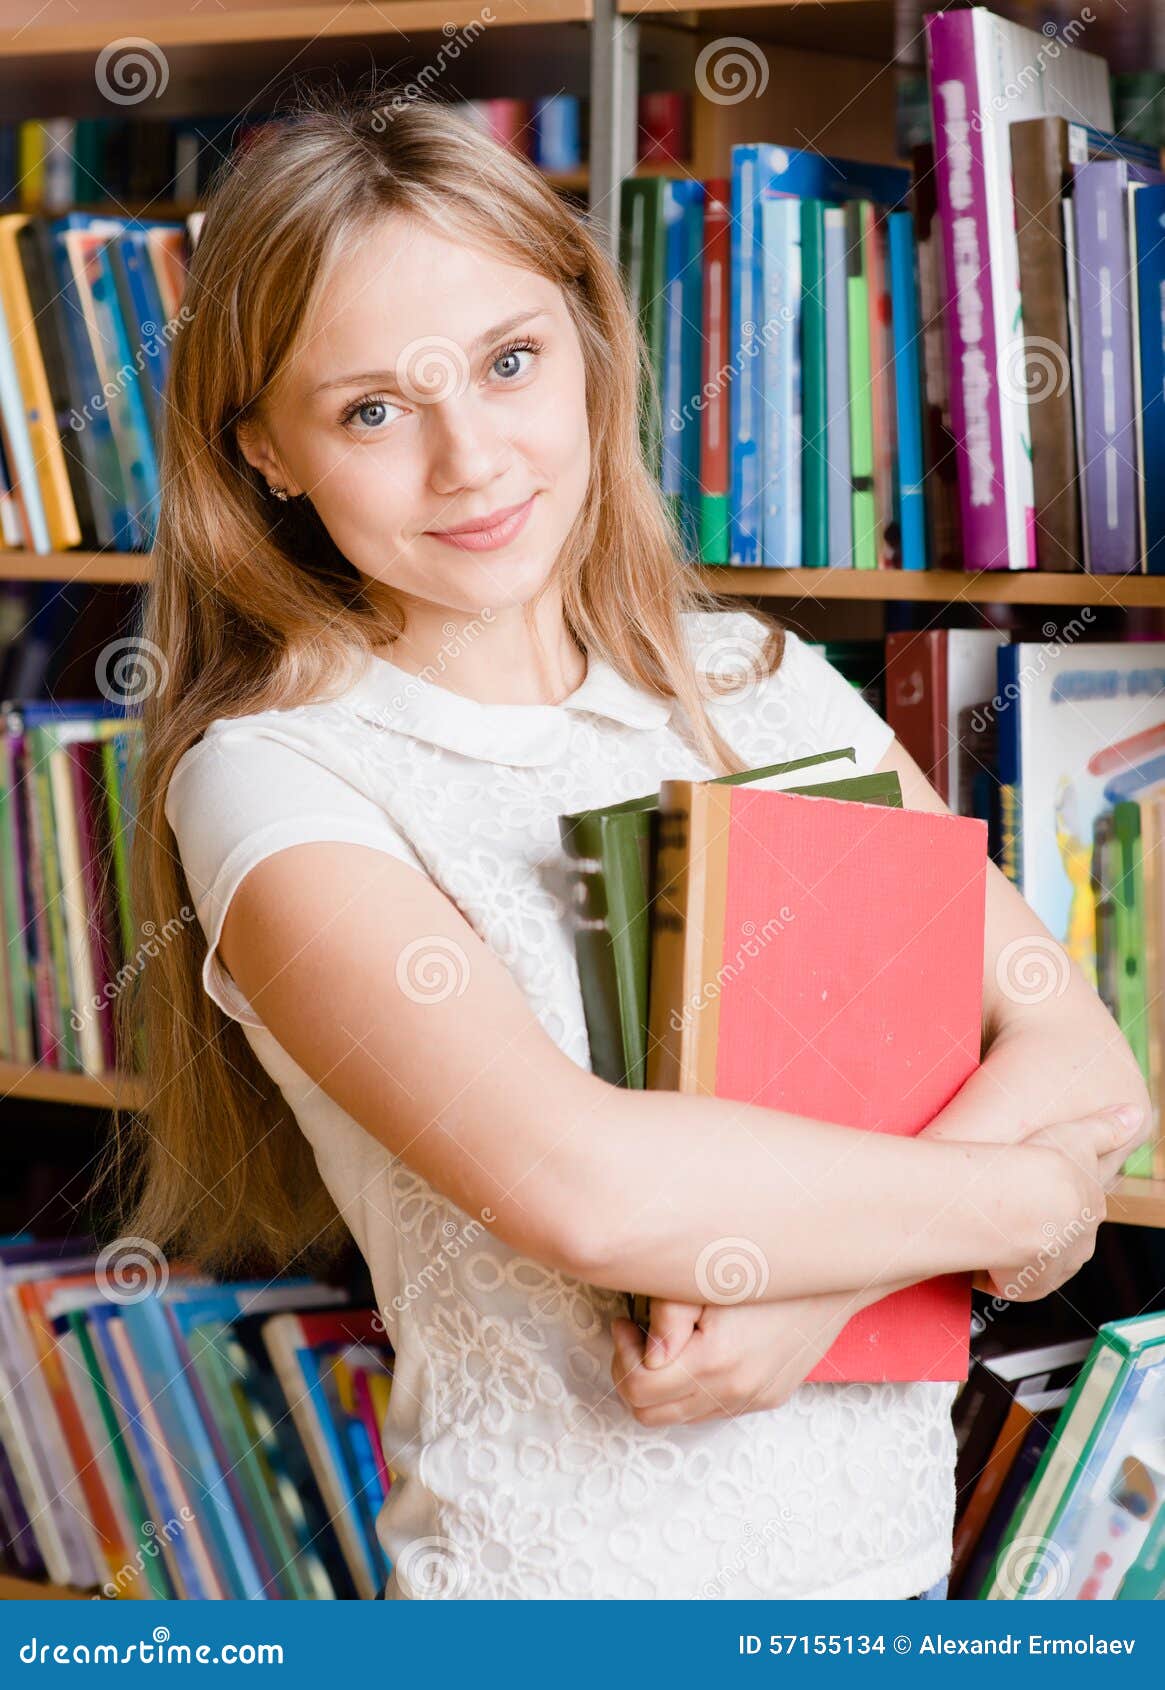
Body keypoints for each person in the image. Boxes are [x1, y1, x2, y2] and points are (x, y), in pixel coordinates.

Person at [110, 88, 1150, 1602]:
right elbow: (586, 1183)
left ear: (590, 347)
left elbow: (1084, 1058)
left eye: (510, 361)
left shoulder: (755, 683)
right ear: (266, 450)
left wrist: (808, 1293)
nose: (471, 459)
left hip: (886, 1588)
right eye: (373, 410)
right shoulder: (272, 780)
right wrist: (1033, 1203)